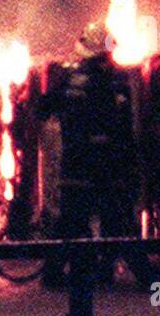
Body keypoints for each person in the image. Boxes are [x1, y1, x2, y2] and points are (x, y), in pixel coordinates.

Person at [37, 22, 153, 289]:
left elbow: (43, 109)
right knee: (120, 224)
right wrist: (131, 168)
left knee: (70, 225)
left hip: (75, 169)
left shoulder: (69, 80)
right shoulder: (112, 83)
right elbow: (122, 131)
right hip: (106, 170)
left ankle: (54, 276)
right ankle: (148, 282)